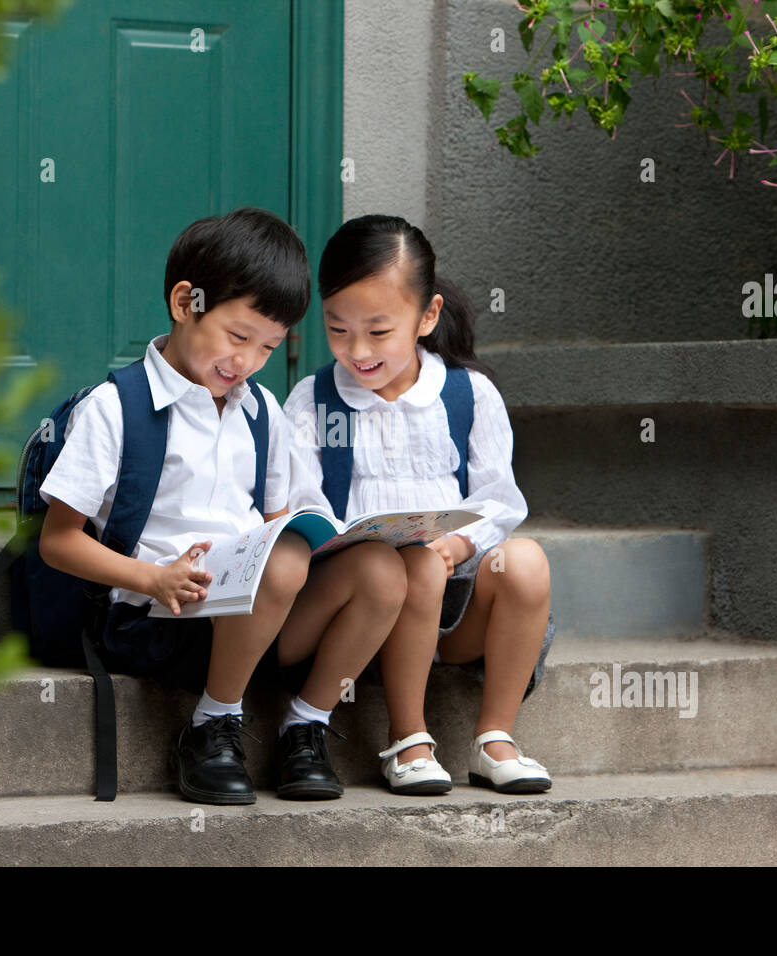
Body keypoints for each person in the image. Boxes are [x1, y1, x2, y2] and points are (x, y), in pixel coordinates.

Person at [38, 207, 407, 805]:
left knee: (381, 569)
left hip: (251, 620)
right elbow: (58, 541)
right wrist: (152, 577)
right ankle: (213, 725)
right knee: (280, 561)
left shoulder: (261, 410)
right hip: (155, 619)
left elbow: (272, 524)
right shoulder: (115, 408)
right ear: (186, 303)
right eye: (238, 337)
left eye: (268, 347)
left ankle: (305, 725)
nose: (248, 362)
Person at [283, 214, 554, 795]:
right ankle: (409, 738)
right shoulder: (314, 400)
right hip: (364, 613)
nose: (358, 351)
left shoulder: (467, 394)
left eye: (379, 332)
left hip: (454, 612)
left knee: (525, 560)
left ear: (426, 316)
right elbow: (301, 502)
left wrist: (459, 543)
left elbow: (499, 499)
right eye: (338, 330)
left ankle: (495, 738)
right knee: (414, 562)